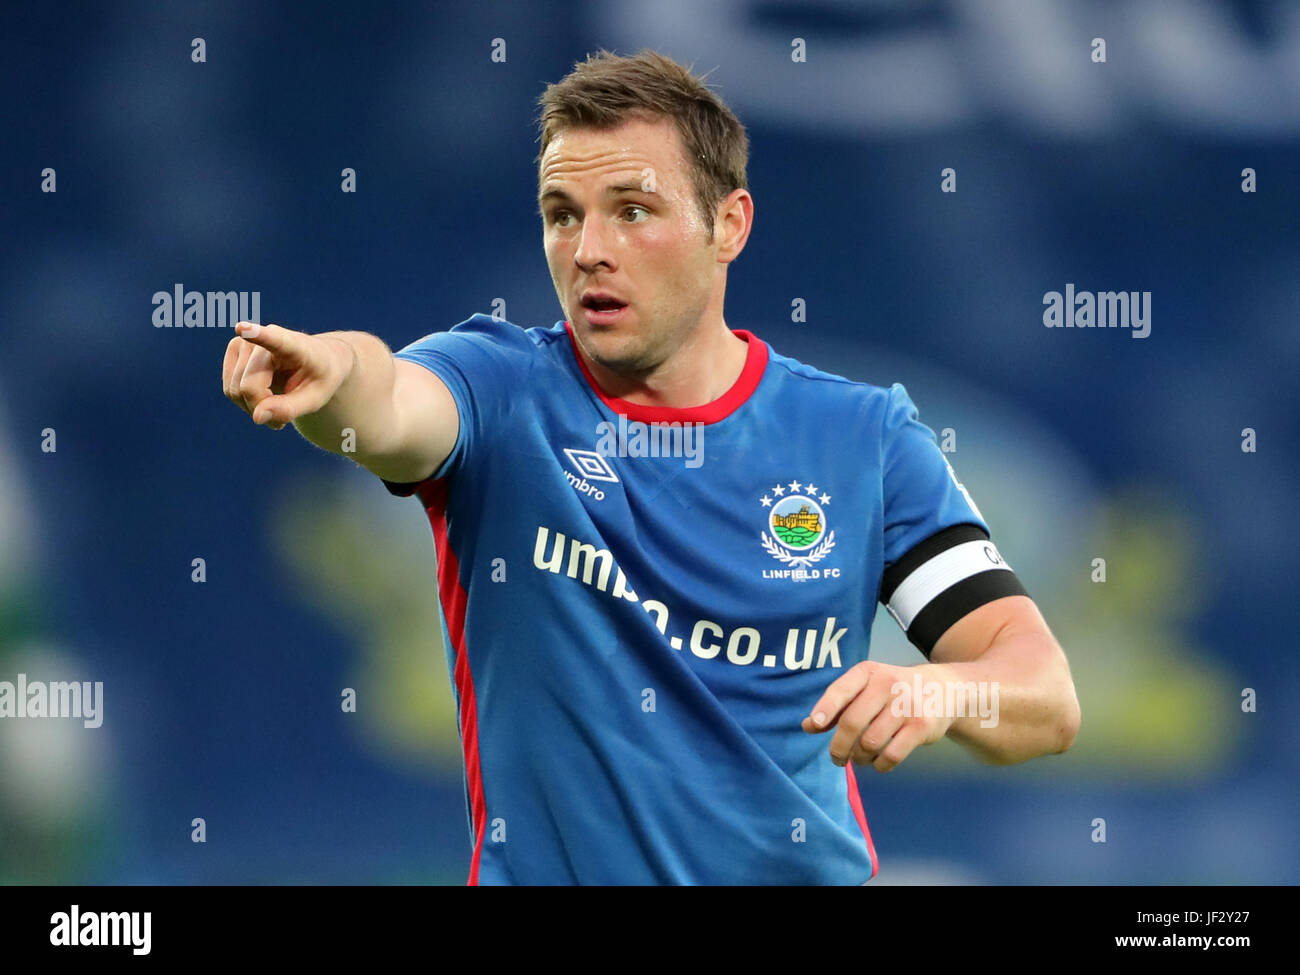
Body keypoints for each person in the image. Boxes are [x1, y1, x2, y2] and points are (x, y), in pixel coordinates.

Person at [221, 49, 1081, 885]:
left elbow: (1043, 697)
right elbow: (388, 401)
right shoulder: (501, 390)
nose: (590, 247)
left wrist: (944, 696)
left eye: (632, 209)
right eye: (563, 213)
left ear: (728, 225)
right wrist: (333, 373)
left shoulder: (863, 438)